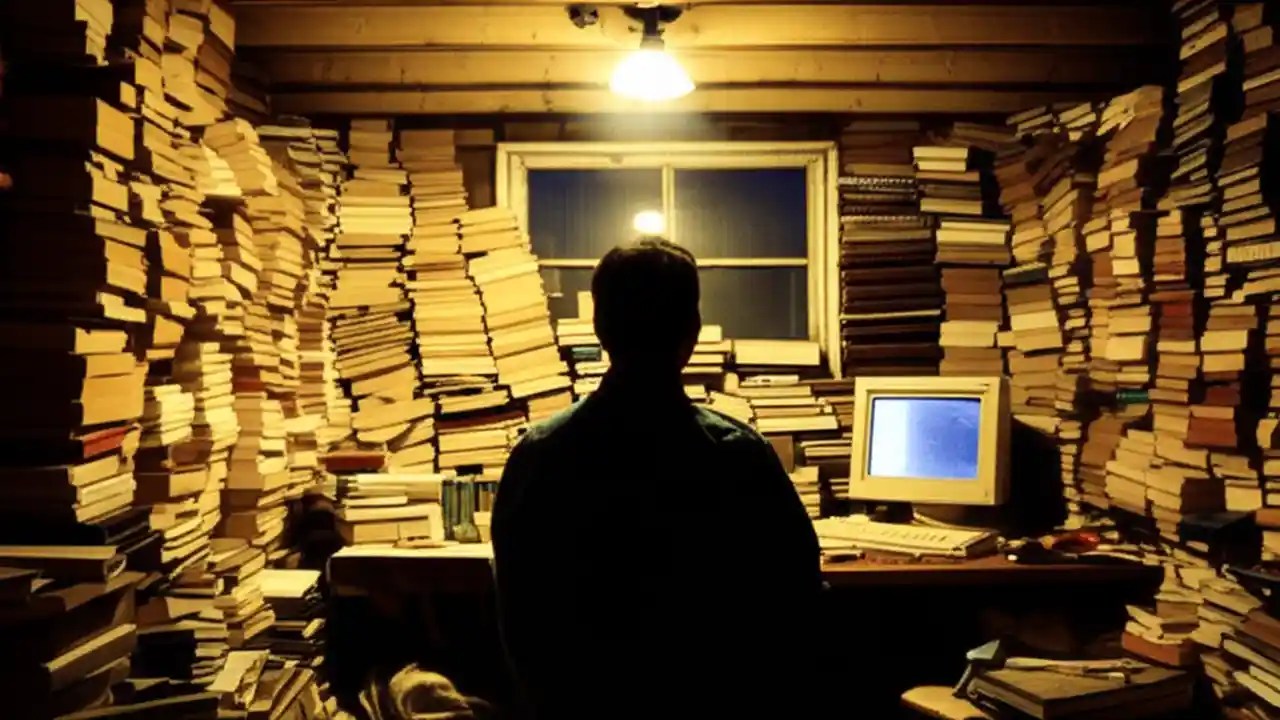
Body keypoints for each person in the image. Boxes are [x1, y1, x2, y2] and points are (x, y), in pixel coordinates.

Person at [492, 238, 825, 719]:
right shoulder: (738, 456)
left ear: (599, 329)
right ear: (691, 334)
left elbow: (520, 627)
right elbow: (798, 606)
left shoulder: (537, 457)